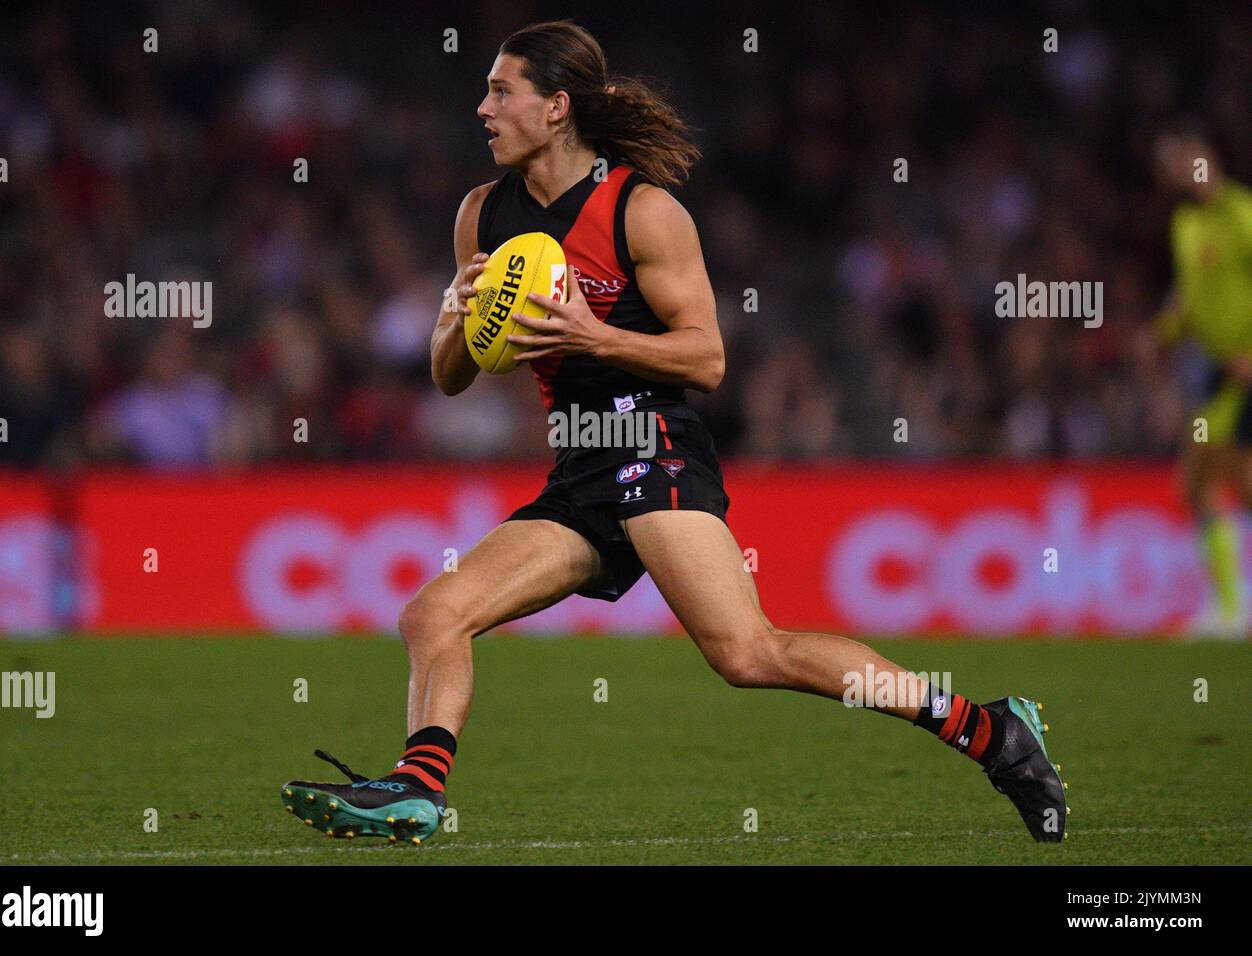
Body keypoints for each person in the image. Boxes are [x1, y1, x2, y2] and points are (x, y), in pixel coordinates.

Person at [281, 19, 1067, 845]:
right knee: (432, 615)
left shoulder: (642, 210)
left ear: (555, 108)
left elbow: (708, 358)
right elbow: (450, 375)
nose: (482, 108)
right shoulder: (483, 216)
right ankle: (417, 790)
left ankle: (993, 733)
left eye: (500, 91)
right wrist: (458, 313)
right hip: (581, 465)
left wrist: (597, 338)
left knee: (749, 654)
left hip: (650, 441)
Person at [1154, 127, 1252, 639]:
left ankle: (1233, 608)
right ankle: (1231, 606)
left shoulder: (1241, 213)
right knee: (1206, 483)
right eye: (1177, 164)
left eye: (1194, 158)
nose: (1189, 170)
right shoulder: (1185, 223)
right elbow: (1193, 293)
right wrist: (1168, 328)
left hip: (1246, 373)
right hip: (1219, 374)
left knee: (1209, 479)